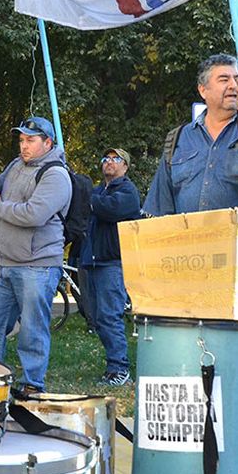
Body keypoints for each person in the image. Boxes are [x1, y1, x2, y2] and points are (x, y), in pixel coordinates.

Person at [0, 116, 71, 394]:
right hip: (4, 264)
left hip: (37, 266)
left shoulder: (56, 175)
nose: (24, 146)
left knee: (32, 329)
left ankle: (32, 384)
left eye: (30, 140)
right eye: (21, 140)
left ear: (47, 142)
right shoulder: (16, 165)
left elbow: (33, 214)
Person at [143, 53, 238, 216]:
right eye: (224, 79)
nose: (233, 85)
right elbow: (160, 207)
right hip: (188, 239)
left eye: (237, 80)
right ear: (203, 90)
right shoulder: (177, 138)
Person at [80, 147, 141, 386]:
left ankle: (120, 368)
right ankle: (112, 366)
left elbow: (110, 209)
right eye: (106, 158)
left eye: (116, 159)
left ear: (125, 166)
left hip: (113, 263)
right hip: (91, 261)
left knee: (109, 316)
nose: (109, 162)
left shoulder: (127, 191)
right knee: (96, 318)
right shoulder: (98, 191)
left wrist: (90, 201)